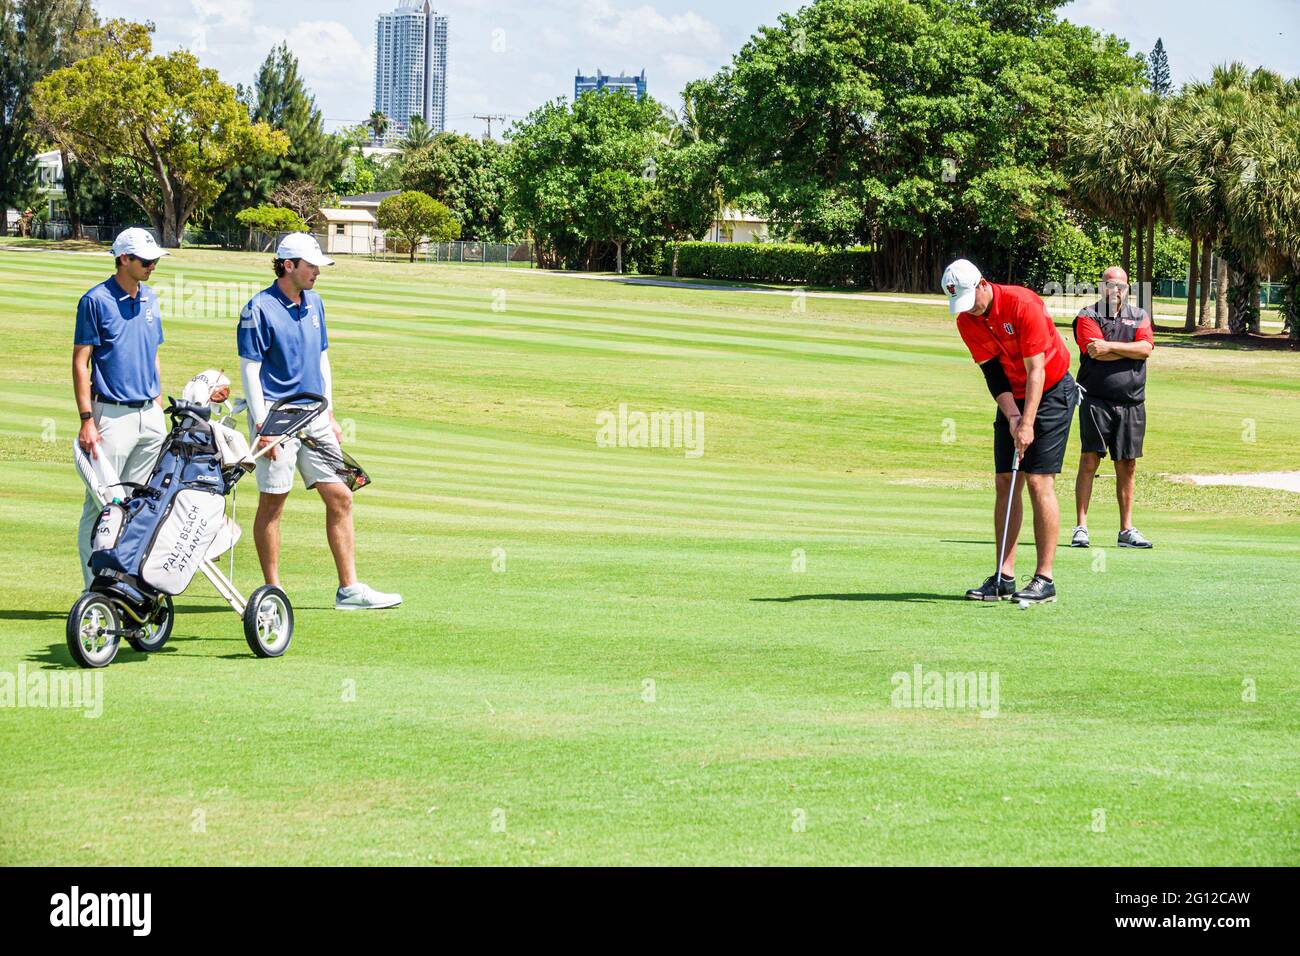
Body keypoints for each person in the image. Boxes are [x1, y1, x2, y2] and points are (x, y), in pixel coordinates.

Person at [236, 233, 401, 610]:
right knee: (274, 503)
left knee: (342, 494)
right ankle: (273, 594)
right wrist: (263, 428)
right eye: (311, 266)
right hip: (277, 416)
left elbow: (323, 359)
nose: (317, 273)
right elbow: (251, 368)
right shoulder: (258, 308)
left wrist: (330, 411)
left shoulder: (315, 304)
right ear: (288, 265)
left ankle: (349, 590)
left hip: (316, 415)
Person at [942, 258, 1078, 605]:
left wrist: (1028, 423)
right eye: (962, 304)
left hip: (1052, 390)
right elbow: (993, 374)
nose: (969, 309)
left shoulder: (1023, 303)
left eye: (972, 300)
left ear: (983, 284)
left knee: (1037, 480)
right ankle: (1004, 576)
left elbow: (1037, 371)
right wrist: (1013, 415)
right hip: (1013, 397)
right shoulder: (966, 320)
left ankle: (1045, 579)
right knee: (1006, 480)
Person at [73, 228, 169, 587]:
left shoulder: (152, 298)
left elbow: (153, 354)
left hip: (149, 416)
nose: (152, 265)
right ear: (123, 259)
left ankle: (126, 583)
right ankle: (94, 590)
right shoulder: (95, 301)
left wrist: (158, 404)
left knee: (137, 506)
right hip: (110, 416)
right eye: (146, 260)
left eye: (155, 260)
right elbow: (81, 362)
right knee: (101, 506)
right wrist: (86, 419)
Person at [1070, 266, 1155, 549]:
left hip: (1131, 400)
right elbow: (1094, 351)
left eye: (1120, 285)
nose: (1115, 289)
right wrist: (1126, 349)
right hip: (1095, 399)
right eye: (1109, 284)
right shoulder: (1087, 315)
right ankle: (1081, 527)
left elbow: (1146, 349)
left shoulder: (1139, 315)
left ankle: (1126, 530)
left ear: (1127, 289)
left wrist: (1111, 347)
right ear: (1101, 287)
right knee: (1089, 460)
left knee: (1127, 464)